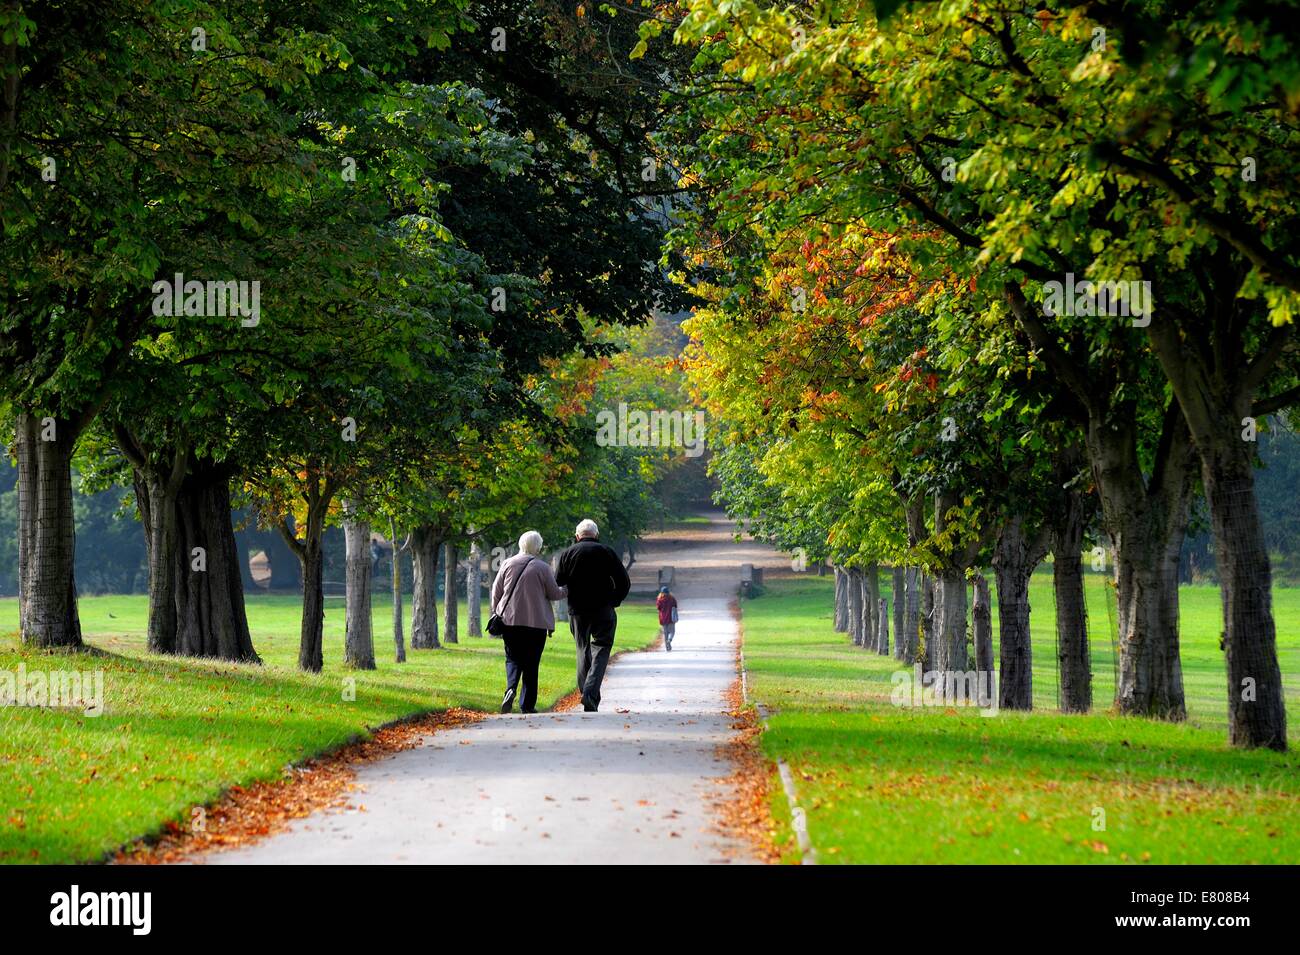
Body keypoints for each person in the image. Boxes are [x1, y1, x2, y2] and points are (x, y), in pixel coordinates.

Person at [556, 519, 631, 712]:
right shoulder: (607, 552)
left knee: (582, 649)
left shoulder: (567, 554)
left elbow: (558, 582)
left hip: (578, 611)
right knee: (602, 648)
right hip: (603, 609)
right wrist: (614, 600)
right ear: (596, 535)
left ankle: (586, 693)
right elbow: (624, 582)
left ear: (577, 536)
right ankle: (590, 694)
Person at [490, 530, 566, 714]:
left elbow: (496, 592)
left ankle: (510, 689)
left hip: (510, 621)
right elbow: (555, 594)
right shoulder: (543, 567)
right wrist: (568, 589)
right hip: (536, 624)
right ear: (538, 547)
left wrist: (496, 612)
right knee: (531, 663)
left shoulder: (507, 564)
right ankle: (527, 705)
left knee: (513, 658)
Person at [656, 586, 678, 651]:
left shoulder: (659, 599)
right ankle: (669, 640)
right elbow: (675, 606)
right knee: (672, 631)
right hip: (671, 618)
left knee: (665, 633)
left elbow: (658, 608)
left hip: (663, 618)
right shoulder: (672, 598)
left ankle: (667, 647)